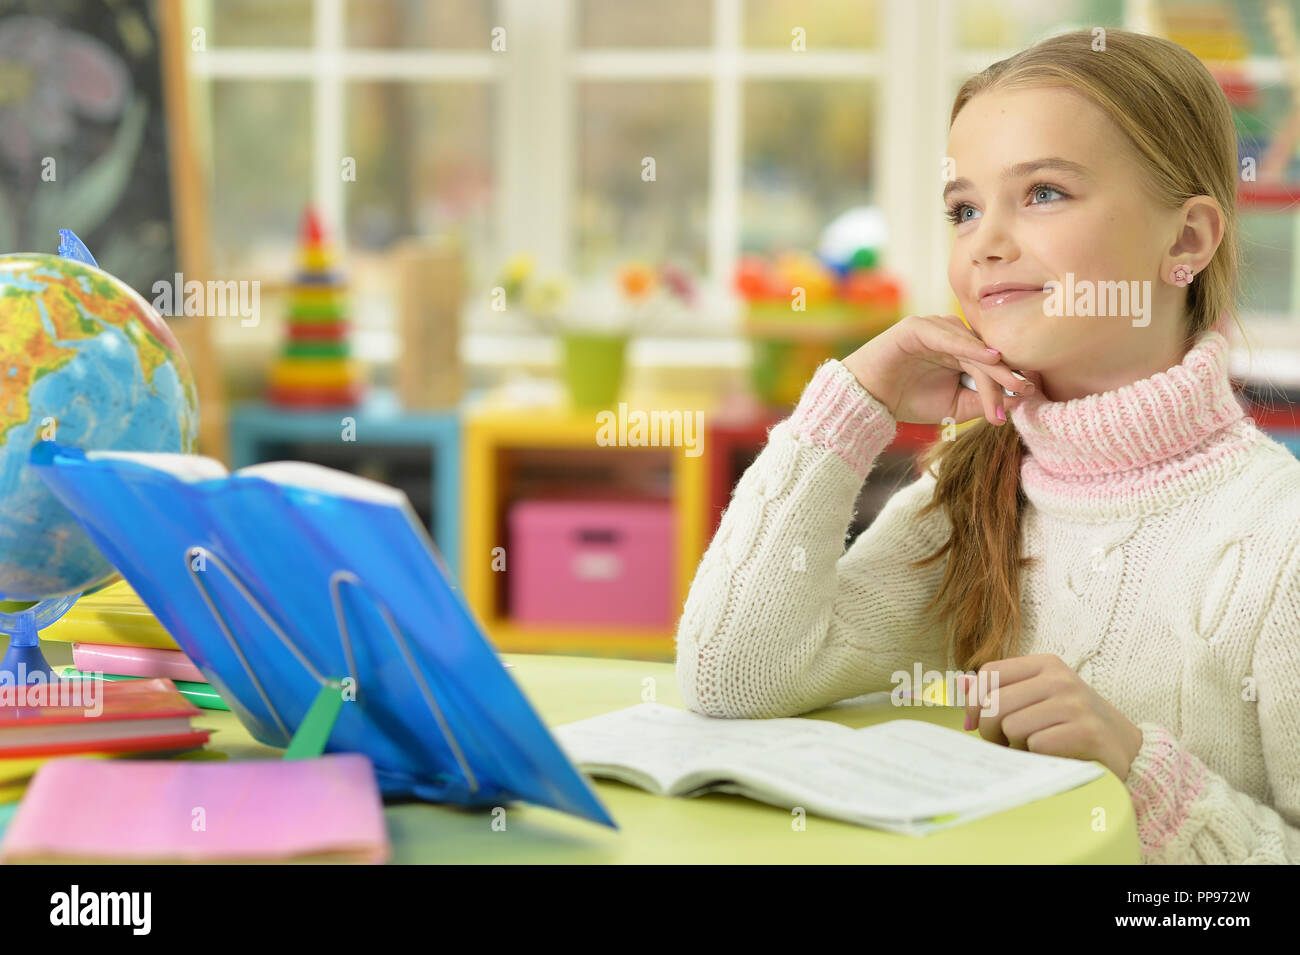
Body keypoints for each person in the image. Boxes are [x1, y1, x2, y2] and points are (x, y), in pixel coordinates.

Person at [675, 29, 1300, 865]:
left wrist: (1140, 770)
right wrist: (855, 397)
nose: (985, 242)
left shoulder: (1278, 540)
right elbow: (730, 676)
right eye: (964, 208)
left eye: (1043, 192)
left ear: (1186, 241)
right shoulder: (971, 491)